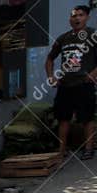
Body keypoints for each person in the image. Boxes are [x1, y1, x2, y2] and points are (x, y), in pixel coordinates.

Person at [45, 5, 97, 159]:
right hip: (65, 85)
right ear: (70, 19)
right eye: (74, 16)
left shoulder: (93, 35)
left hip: (84, 84)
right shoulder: (63, 38)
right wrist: (50, 76)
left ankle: (88, 149)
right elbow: (49, 59)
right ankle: (62, 149)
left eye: (80, 15)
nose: (77, 18)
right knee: (63, 118)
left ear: (87, 17)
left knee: (86, 118)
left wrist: (93, 74)